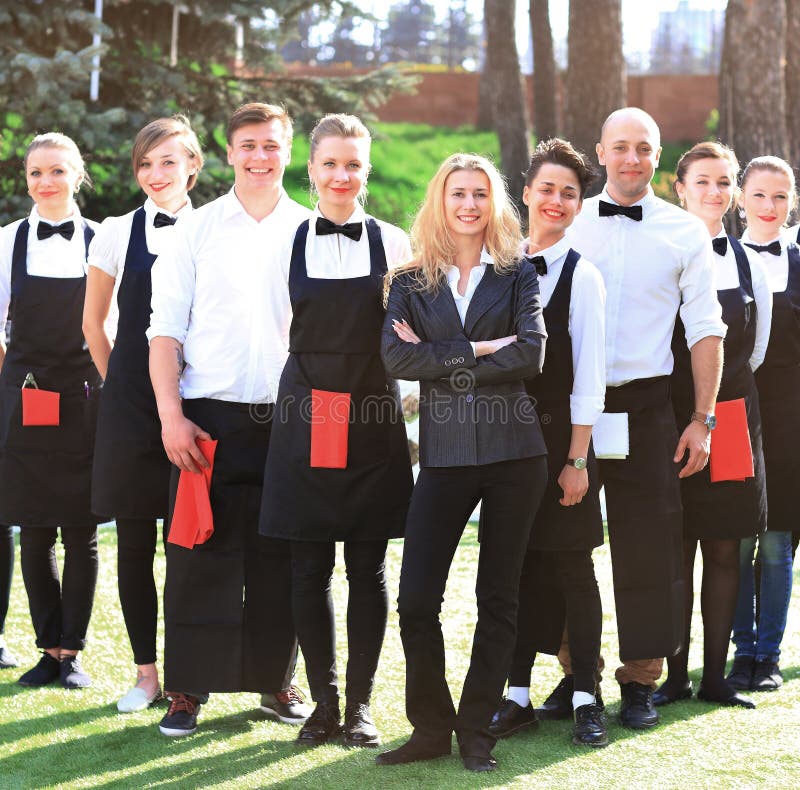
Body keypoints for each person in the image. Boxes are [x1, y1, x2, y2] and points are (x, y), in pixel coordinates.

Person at [542, 108, 727, 730]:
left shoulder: (684, 232)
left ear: (657, 156)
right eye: (619, 147)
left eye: (643, 148)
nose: (631, 159)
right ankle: (577, 675)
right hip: (572, 412)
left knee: (650, 546)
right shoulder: (568, 221)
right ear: (600, 152)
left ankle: (642, 680)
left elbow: (706, 329)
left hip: (648, 407)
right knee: (568, 544)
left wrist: (701, 418)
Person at [377, 153, 548, 773]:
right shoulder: (407, 282)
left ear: (494, 202)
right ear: (439, 201)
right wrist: (477, 349)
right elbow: (397, 360)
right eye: (458, 193)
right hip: (444, 458)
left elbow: (530, 355)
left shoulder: (518, 272)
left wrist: (442, 360)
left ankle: (477, 729)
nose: (469, 204)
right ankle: (430, 727)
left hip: (515, 455)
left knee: (496, 597)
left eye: (480, 193)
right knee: (416, 598)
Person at [147, 103, 312, 736]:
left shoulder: (311, 229)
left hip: (290, 418)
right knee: (197, 552)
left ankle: (276, 680)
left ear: (287, 150)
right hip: (206, 419)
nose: (260, 157)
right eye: (248, 145)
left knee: (282, 555)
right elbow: (164, 333)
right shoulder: (196, 230)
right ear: (229, 153)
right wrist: (171, 418)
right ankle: (187, 688)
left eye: (271, 145)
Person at [259, 114, 413, 747]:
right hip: (305, 410)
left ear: (366, 172)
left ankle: (360, 708)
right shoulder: (283, 243)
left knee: (368, 569)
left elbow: (408, 339)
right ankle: (322, 704)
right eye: (330, 164)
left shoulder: (397, 244)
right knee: (306, 568)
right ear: (312, 170)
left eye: (353, 164)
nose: (342, 175)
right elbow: (274, 334)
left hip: (372, 410)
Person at [488, 139, 608, 747]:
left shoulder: (585, 277)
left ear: (578, 203)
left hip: (563, 447)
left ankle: (587, 695)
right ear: (526, 193)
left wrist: (576, 460)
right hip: (503, 447)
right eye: (547, 188)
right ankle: (515, 697)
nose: (556, 200)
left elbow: (590, 376)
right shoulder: (496, 266)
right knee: (511, 570)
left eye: (569, 192)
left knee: (571, 569)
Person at [83, 116, 203, 713]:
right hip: (128, 409)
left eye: (169, 162)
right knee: (134, 543)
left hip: (198, 404)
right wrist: (124, 389)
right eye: (145, 164)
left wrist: (174, 401)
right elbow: (93, 323)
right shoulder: (113, 232)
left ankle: (189, 677)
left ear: (193, 168)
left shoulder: (213, 230)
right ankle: (146, 674)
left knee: (190, 545)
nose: (156, 175)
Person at [654, 142, 770, 710]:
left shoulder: (747, 257)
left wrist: (724, 407)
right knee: (675, 550)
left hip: (732, 417)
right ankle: (673, 677)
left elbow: (759, 346)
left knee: (727, 548)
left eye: (725, 182)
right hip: (673, 418)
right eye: (703, 181)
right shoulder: (663, 248)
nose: (715, 192)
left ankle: (716, 678)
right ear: (679, 187)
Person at [0, 133, 102, 689]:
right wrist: (16, 382)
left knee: (81, 532)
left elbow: (110, 324)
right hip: (28, 396)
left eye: (57, 171)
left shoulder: (102, 240)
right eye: (36, 172)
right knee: (36, 530)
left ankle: (75, 654)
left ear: (78, 174)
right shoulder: (6, 242)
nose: (45, 183)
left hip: (85, 398)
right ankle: (48, 651)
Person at [727, 156, 798, 694]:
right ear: (740, 198)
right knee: (735, 538)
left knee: (775, 543)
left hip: (792, 421)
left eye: (780, 196)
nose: (770, 207)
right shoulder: (718, 257)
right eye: (759, 195)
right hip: (732, 413)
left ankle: (766, 655)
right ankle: (739, 651)